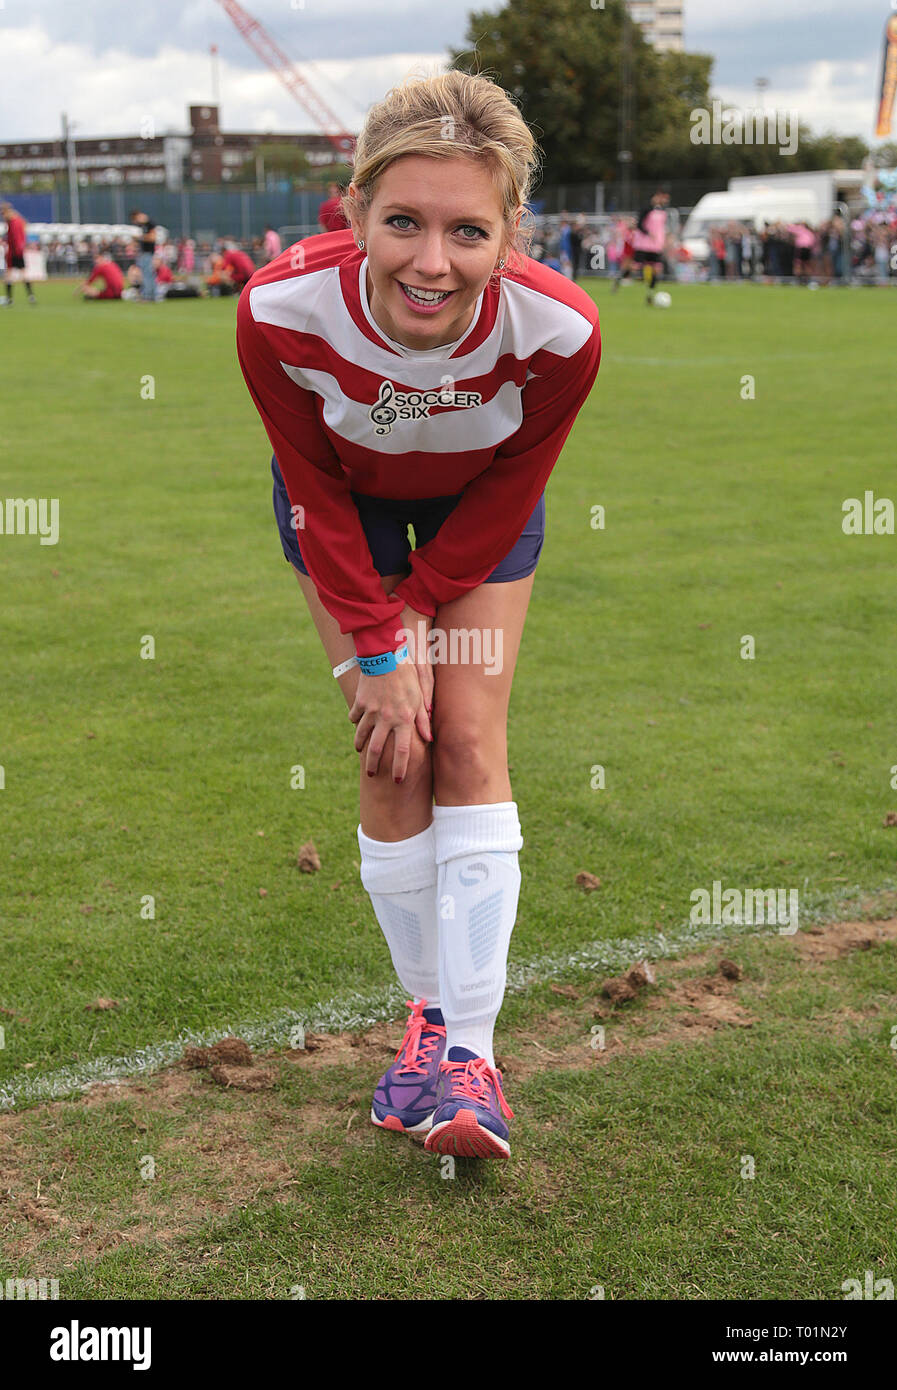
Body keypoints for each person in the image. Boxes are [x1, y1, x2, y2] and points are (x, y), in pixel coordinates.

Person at [236, 69, 601, 1161]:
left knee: (468, 736)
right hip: (339, 514)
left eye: (467, 231)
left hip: (476, 519)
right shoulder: (274, 311)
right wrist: (377, 636)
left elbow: (507, 488)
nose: (431, 262)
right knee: (391, 751)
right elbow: (307, 480)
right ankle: (429, 1021)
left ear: (511, 234)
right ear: (352, 212)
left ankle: (474, 1066)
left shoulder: (562, 332)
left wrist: (415, 614)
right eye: (402, 222)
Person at [631, 189, 669, 304]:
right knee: (637, 266)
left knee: (656, 268)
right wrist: (648, 233)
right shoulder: (646, 209)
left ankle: (650, 291)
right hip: (643, 243)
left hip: (656, 244)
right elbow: (639, 224)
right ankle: (621, 281)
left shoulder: (663, 211)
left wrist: (663, 240)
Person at [0, 201, 36, 306]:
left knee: (8, 276)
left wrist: (10, 246)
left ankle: (9, 299)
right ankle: (31, 297)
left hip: (13, 252)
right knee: (24, 274)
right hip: (18, 252)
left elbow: (14, 238)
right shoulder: (19, 221)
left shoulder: (13, 222)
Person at [129, 209, 157, 302]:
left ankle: (148, 296)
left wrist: (140, 238)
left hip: (148, 253)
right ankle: (149, 295)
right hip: (144, 253)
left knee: (147, 275)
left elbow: (152, 238)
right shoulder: (144, 225)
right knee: (147, 275)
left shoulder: (149, 224)